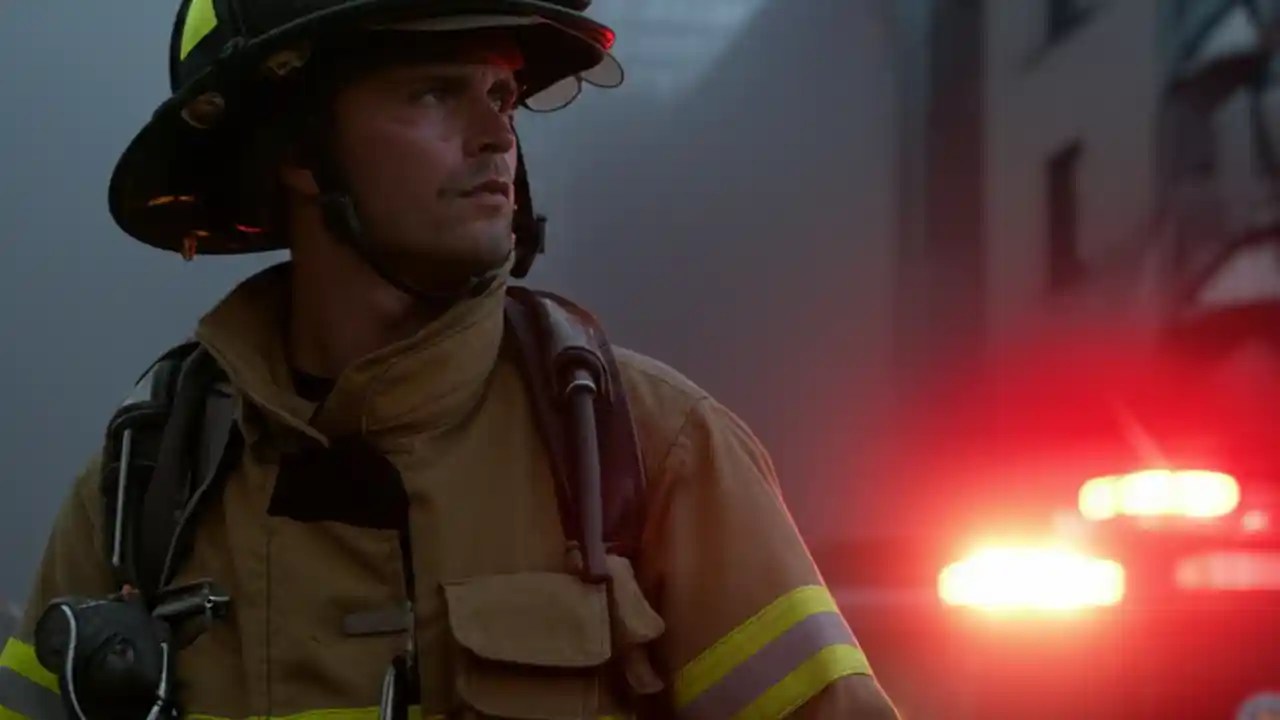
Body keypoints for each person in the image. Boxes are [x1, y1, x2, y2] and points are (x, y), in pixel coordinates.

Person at [0, 2, 900, 718]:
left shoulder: (653, 450)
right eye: (434, 93)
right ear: (300, 152)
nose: (496, 136)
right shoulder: (141, 490)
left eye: (501, 96)